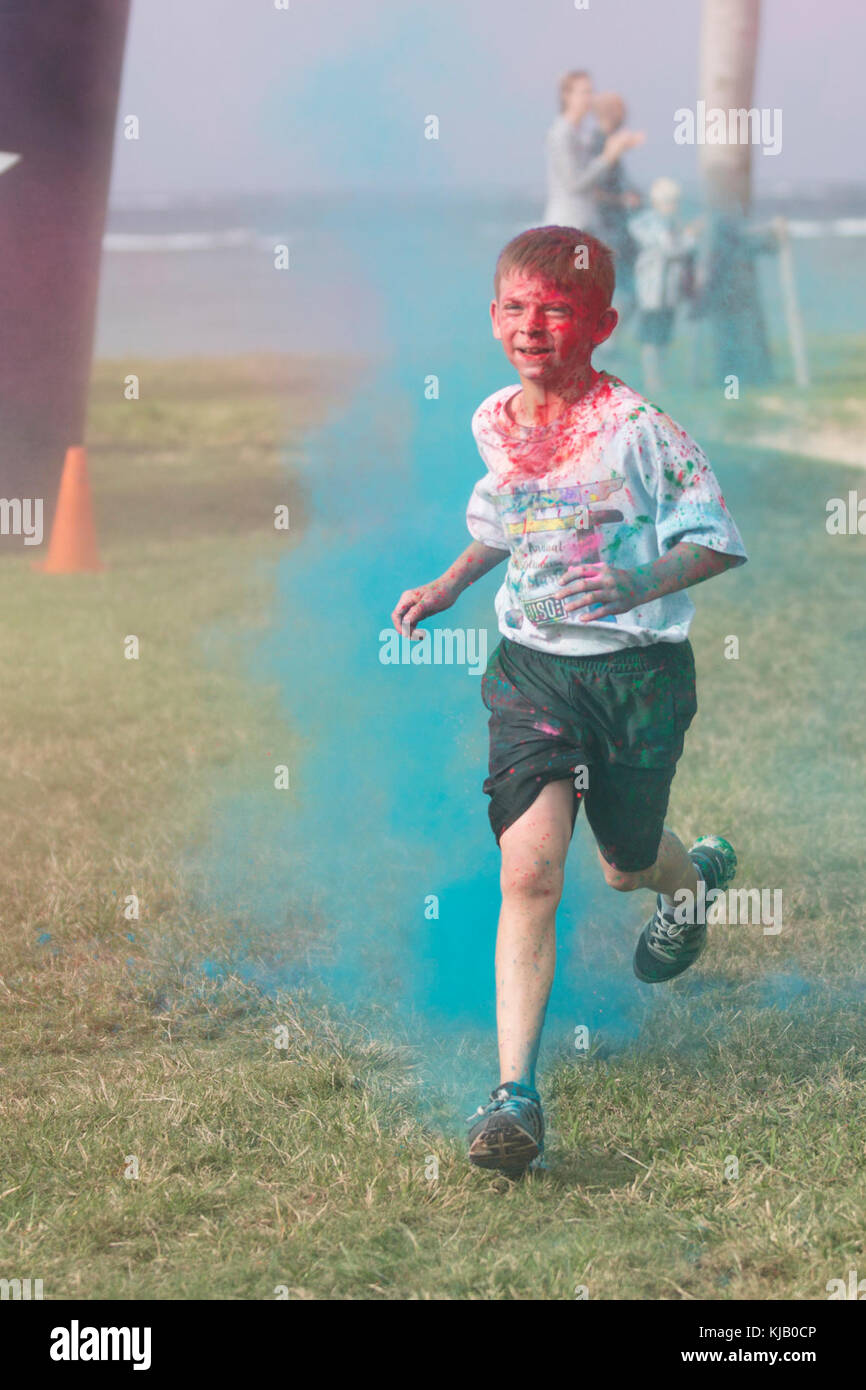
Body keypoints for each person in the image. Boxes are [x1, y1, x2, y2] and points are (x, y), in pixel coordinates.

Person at [391, 225, 747, 1177]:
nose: (532, 326)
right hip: (534, 671)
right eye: (515, 308)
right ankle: (514, 1095)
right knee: (531, 872)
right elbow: (506, 520)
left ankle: (689, 881)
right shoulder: (495, 420)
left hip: (636, 676)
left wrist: (637, 583)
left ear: (602, 325)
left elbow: (715, 538)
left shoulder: (639, 430)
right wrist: (448, 585)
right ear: (493, 317)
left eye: (556, 311)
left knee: (626, 868)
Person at [543, 71, 643, 233]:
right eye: (584, 92)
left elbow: (593, 181)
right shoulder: (561, 134)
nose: (590, 98)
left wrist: (619, 148)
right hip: (566, 227)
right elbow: (573, 183)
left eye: (591, 92)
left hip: (586, 225)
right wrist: (607, 158)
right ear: (566, 96)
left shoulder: (581, 133)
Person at [630, 177, 700, 395]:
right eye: (670, 202)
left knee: (663, 337)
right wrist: (690, 236)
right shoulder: (652, 224)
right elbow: (671, 249)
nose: (674, 207)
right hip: (653, 292)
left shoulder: (667, 223)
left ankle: (660, 379)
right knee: (652, 338)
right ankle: (653, 381)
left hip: (666, 291)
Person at [590, 92, 642, 321]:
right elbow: (593, 190)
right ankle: (607, 336)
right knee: (625, 292)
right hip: (608, 228)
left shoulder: (607, 142)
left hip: (618, 227)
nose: (625, 116)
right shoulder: (599, 144)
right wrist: (623, 200)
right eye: (621, 111)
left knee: (629, 291)